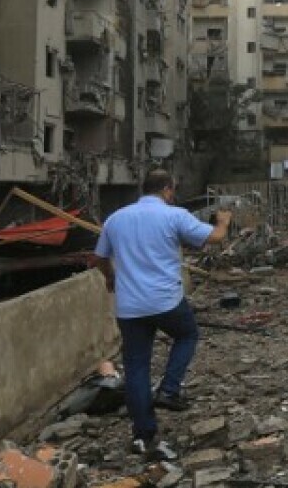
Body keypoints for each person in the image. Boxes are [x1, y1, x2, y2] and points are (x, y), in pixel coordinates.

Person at [95, 169, 231, 459]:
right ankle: (169, 389)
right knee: (187, 334)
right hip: (165, 301)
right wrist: (223, 221)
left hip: (129, 307)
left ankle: (143, 435)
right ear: (167, 189)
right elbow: (215, 238)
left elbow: (99, 258)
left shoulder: (115, 219)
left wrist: (111, 278)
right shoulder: (174, 215)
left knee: (136, 367)